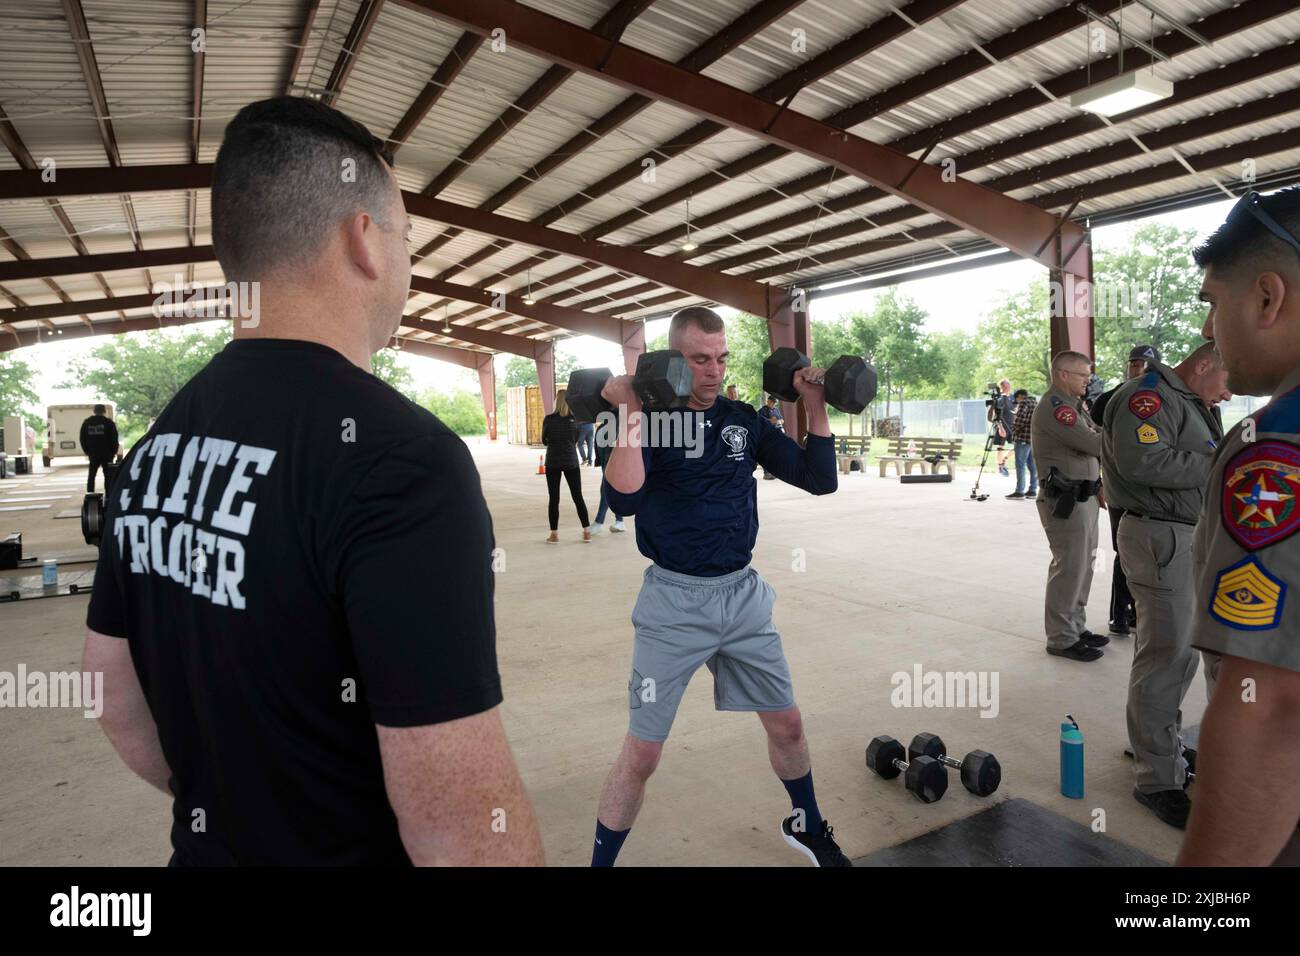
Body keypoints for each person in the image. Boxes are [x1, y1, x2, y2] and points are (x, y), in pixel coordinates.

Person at [81, 96, 542, 866]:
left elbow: (110, 693)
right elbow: (462, 834)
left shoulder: (152, 451)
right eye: (406, 237)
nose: (408, 263)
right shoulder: (403, 461)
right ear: (364, 239)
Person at [592, 306, 848, 867]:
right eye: (699, 359)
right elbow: (625, 500)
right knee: (641, 755)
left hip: (742, 597)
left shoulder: (743, 419)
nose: (713, 370)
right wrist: (631, 405)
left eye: (722, 357)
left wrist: (813, 403)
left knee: (788, 723)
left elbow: (819, 479)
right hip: (673, 603)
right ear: (671, 362)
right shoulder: (650, 420)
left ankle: (805, 825)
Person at [1178, 186, 1300, 866]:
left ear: (1265, 298)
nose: (1206, 331)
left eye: (1212, 303)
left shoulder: (1278, 447)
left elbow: (1274, 704)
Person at [1101, 343, 1230, 829]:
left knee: (1180, 653)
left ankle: (1161, 748)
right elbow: (1144, 462)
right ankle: (1157, 779)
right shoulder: (1146, 398)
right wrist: (1221, 462)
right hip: (1160, 536)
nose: (1228, 390)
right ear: (1202, 366)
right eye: (1225, 379)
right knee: (1167, 655)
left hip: (1184, 534)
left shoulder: (1184, 401)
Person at [1031, 352, 1108, 662]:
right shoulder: (1056, 408)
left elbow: (1093, 444)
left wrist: (1099, 484)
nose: (1087, 381)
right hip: (1065, 500)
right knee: (1070, 569)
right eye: (1082, 375)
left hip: (1084, 498)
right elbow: (1095, 444)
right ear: (1063, 374)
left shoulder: (1076, 407)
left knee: (1084, 566)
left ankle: (1075, 627)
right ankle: (1062, 638)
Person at [1090, 344, 1161, 637]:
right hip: (1121, 490)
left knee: (1152, 555)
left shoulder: (1167, 396)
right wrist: (1099, 482)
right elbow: (1098, 429)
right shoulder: (1115, 397)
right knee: (1125, 553)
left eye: (1144, 364)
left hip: (1156, 491)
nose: (1138, 369)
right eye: (1134, 364)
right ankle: (1119, 614)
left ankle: (1139, 614)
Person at [542, 387, 591, 543]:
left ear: (557, 401)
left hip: (553, 462)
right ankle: (586, 531)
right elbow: (576, 440)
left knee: (554, 498)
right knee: (577, 497)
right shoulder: (575, 420)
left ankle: (554, 534)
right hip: (571, 461)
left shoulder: (549, 419)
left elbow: (544, 440)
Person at [590, 414, 625, 535]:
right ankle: (620, 521)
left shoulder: (619, 419)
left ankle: (599, 522)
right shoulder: (606, 421)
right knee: (609, 489)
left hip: (612, 458)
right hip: (605, 456)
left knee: (605, 489)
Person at [79, 404, 119, 493]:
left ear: (94, 411)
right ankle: (109, 494)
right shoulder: (109, 423)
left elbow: (82, 438)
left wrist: (87, 451)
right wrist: (114, 451)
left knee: (92, 475)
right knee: (108, 476)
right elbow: (114, 438)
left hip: (93, 453)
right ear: (104, 411)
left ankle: (90, 493)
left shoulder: (87, 423)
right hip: (107, 454)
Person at [1005, 388, 1037, 499]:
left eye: (1016, 399)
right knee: (1032, 465)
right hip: (1032, 438)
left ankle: (1019, 491)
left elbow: (1020, 420)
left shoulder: (1024, 402)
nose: (1017, 401)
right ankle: (1033, 490)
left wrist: (1014, 429)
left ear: (1020, 396)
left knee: (1020, 465)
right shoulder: (1035, 402)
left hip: (1022, 437)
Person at [988, 379, 1014, 477]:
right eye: (1006, 385)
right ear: (1002, 386)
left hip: (1011, 426)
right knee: (1000, 447)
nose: (1008, 386)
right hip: (1001, 426)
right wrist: (1000, 427)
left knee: (1017, 446)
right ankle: (1000, 467)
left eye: (1009, 384)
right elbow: (996, 414)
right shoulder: (999, 398)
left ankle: (1004, 460)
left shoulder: (1012, 397)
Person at [757, 393, 784, 480]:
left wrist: (779, 421)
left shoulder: (776, 410)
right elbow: (759, 421)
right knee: (767, 453)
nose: (773, 404)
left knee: (776, 453)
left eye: (774, 402)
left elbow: (781, 419)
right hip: (766, 434)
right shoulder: (762, 410)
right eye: (771, 402)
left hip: (777, 432)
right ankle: (767, 473)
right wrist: (770, 421)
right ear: (768, 401)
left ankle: (774, 471)